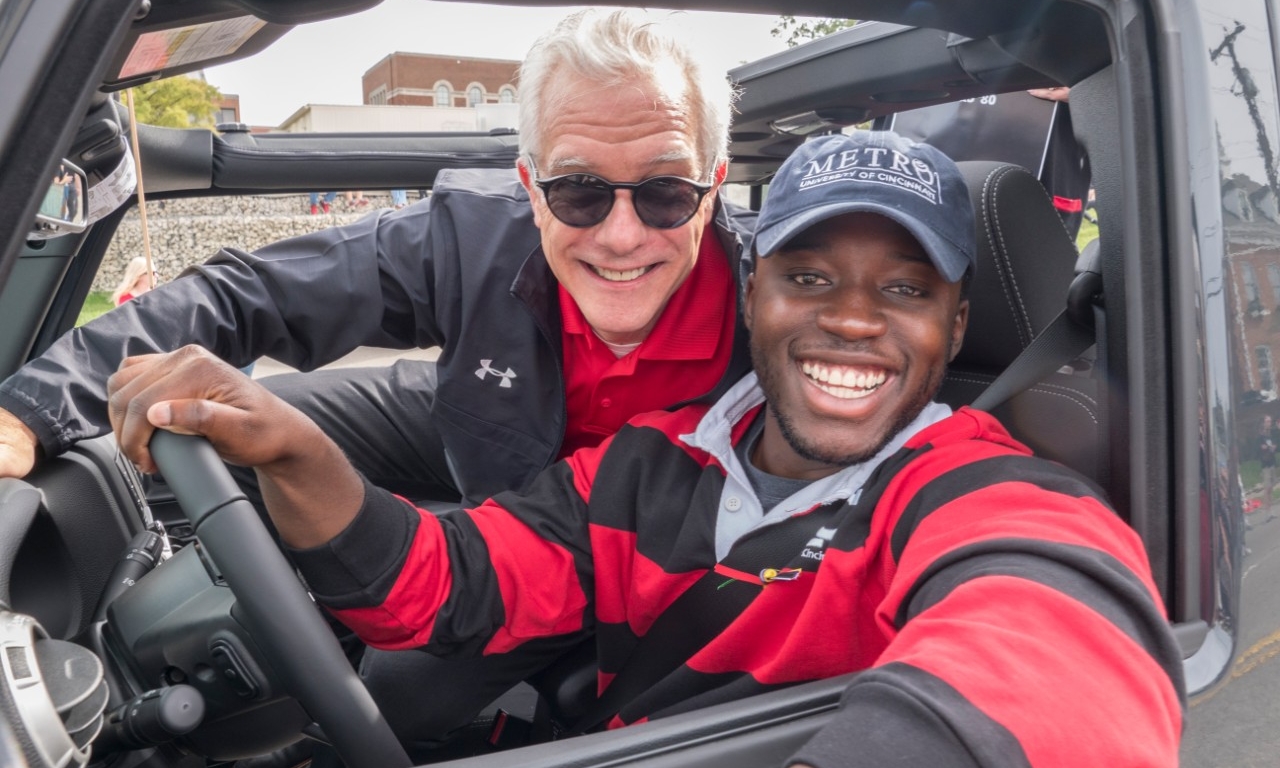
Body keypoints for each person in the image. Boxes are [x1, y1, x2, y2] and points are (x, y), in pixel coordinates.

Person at [108, 130, 1183, 765]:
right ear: (749, 295)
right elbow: (449, 589)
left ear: (952, 328)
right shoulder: (650, 460)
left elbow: (1059, 661)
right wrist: (302, 459)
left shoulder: (979, 492)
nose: (851, 321)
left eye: (903, 291)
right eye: (807, 278)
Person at [0, 6, 751, 751]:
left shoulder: (772, 318)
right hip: (481, 429)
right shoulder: (473, 239)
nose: (622, 236)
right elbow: (254, 293)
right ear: (529, 185)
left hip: (612, 537)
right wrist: (28, 411)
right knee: (234, 420)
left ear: (713, 186)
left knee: (386, 704)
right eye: (579, 191)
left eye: (665, 192)